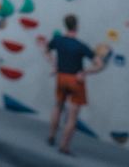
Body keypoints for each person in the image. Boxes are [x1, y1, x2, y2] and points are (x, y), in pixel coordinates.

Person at [45, 14, 106, 156]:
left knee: (58, 106)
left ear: (65, 25)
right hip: (75, 81)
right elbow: (99, 65)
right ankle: (64, 146)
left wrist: (54, 65)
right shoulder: (81, 46)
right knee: (72, 116)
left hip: (61, 77)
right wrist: (85, 72)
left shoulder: (57, 40)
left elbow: (46, 50)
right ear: (76, 26)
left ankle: (51, 137)